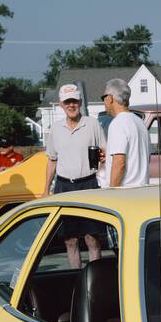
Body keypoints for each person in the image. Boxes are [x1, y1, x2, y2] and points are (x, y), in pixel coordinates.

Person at [45, 83, 105, 268]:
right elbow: (52, 160)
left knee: (91, 238)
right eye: (67, 102)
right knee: (69, 239)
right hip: (64, 187)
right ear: (61, 105)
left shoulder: (92, 124)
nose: (71, 105)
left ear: (79, 101)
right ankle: (75, 278)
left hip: (88, 185)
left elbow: (104, 152)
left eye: (74, 101)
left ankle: (97, 278)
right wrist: (45, 189)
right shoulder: (55, 128)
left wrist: (103, 163)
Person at [99, 78, 150, 188]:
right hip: (143, 190)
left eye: (103, 97)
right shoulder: (140, 122)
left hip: (125, 193)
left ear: (110, 98)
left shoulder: (118, 123)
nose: (104, 102)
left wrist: (112, 191)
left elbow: (119, 163)